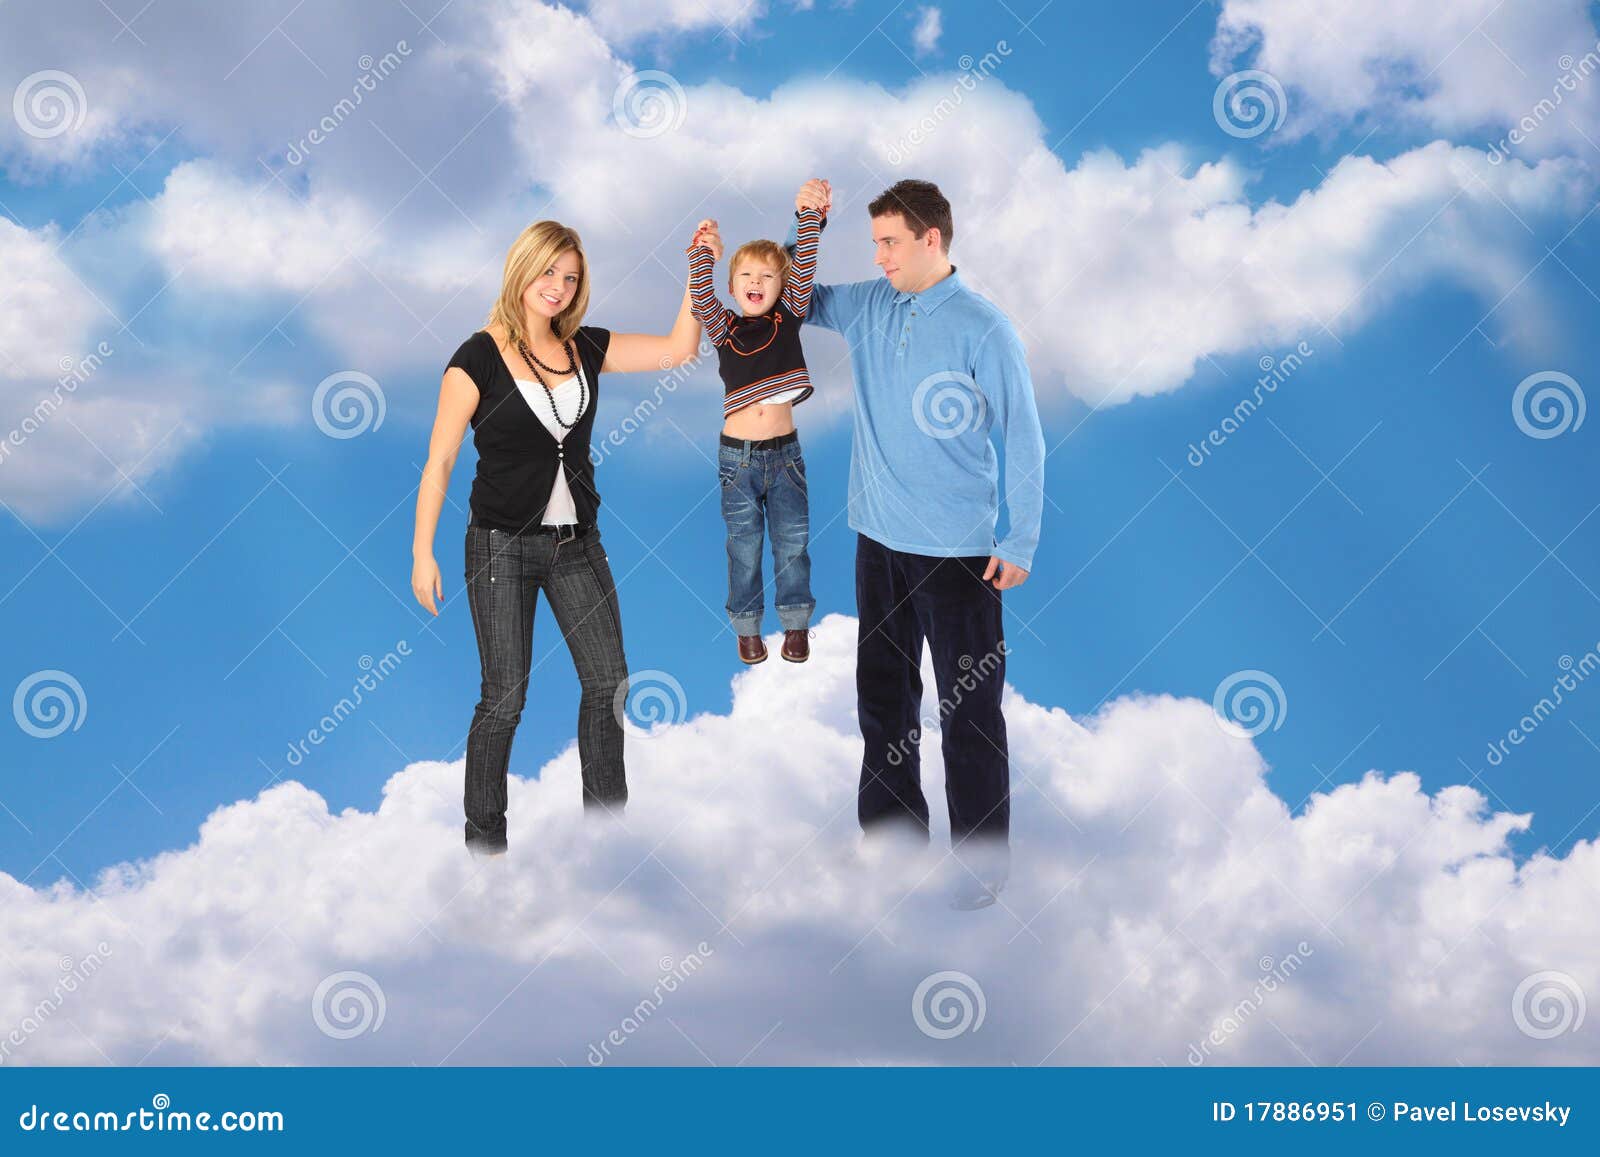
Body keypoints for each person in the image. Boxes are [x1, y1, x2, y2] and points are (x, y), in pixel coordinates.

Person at [712, 177, 1045, 909]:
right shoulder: (868, 304)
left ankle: (981, 869)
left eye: (891, 242)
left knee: (969, 710)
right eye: (874, 244)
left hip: (960, 551)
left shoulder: (983, 327)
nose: (881, 256)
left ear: (933, 240)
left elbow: (1022, 433)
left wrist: (1019, 537)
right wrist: (810, 221)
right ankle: (892, 849)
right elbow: (792, 299)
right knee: (884, 700)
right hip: (877, 541)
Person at [411, 219, 702, 856]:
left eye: (570, 278)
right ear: (523, 270)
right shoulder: (475, 358)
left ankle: (606, 841)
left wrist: (698, 267)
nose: (559, 287)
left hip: (578, 545)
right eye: (549, 272)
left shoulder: (586, 347)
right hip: (498, 549)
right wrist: (421, 551)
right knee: (505, 699)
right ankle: (484, 847)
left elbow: (680, 349)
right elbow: (439, 461)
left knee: (609, 684)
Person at [685, 196, 826, 664]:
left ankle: (795, 624)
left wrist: (809, 217)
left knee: (792, 543)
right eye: (746, 276)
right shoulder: (724, 327)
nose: (756, 283)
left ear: (781, 287)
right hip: (737, 458)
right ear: (732, 285)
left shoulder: (789, 318)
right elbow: (701, 293)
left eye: (767, 276)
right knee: (743, 547)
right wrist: (706, 248)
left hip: (786, 456)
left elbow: (802, 262)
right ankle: (747, 628)